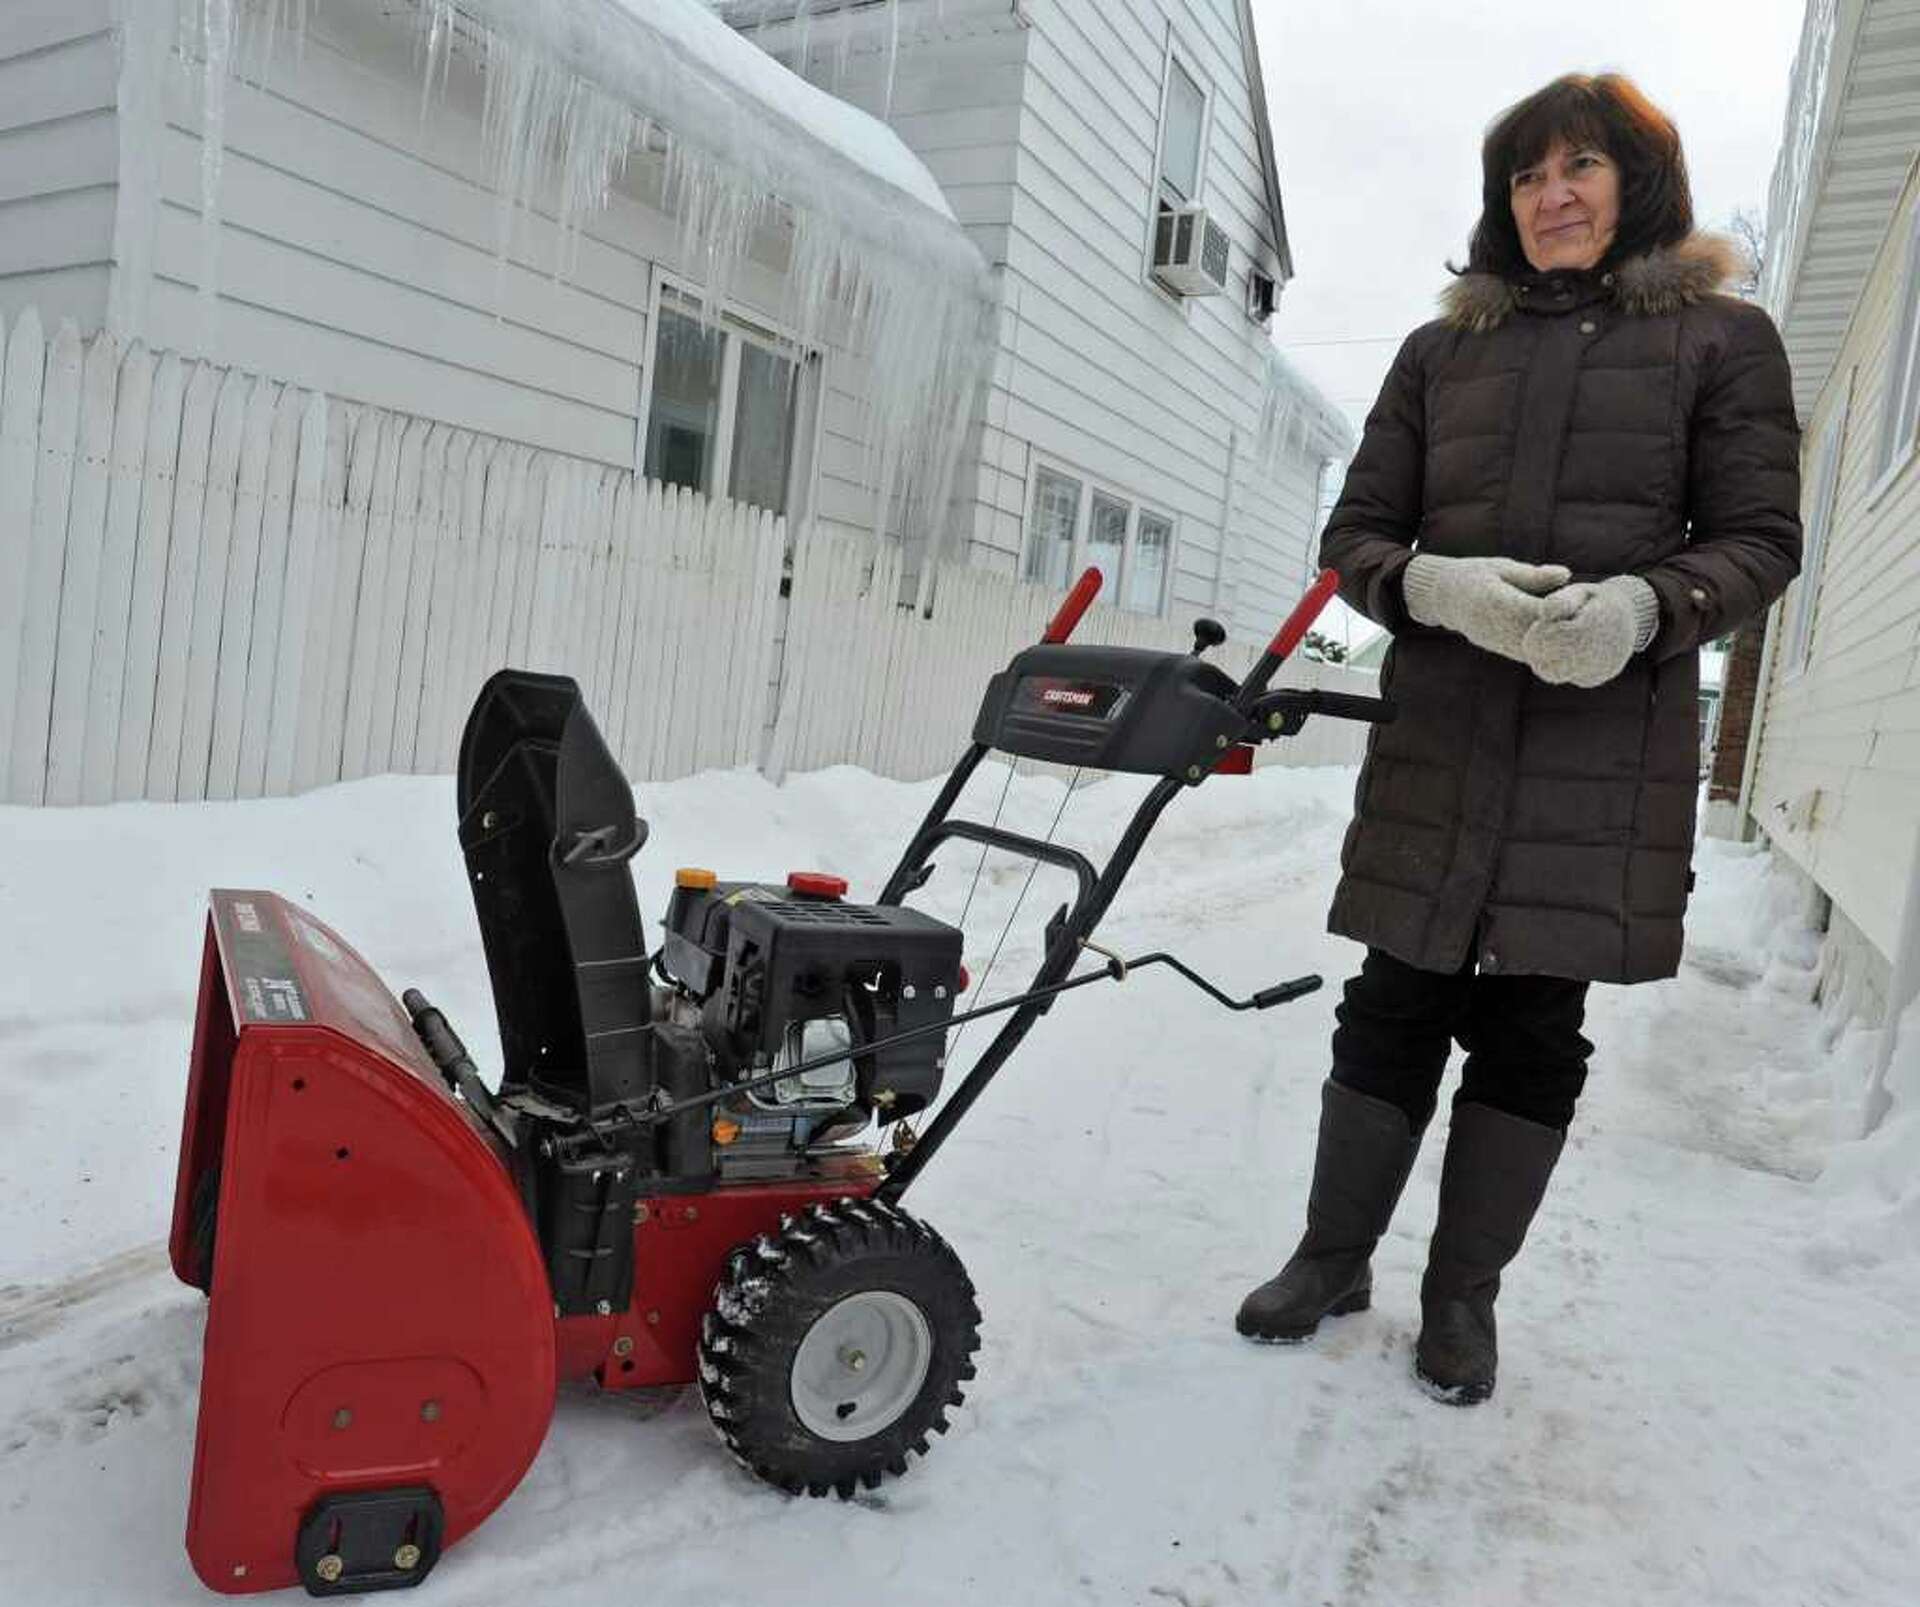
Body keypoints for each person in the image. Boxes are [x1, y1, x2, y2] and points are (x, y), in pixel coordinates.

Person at [1236, 74, 1803, 1404]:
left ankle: (1461, 1297)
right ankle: (1332, 1258)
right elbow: (1356, 535)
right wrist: (1429, 587)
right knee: (1391, 1005)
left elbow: (1760, 540)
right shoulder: (1442, 356)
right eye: (1527, 175)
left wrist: (1647, 608)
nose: (1551, 196)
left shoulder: (1723, 341)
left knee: (1532, 1025)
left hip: (1594, 754)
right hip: (1443, 739)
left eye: (1580, 168)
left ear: (1637, 183)